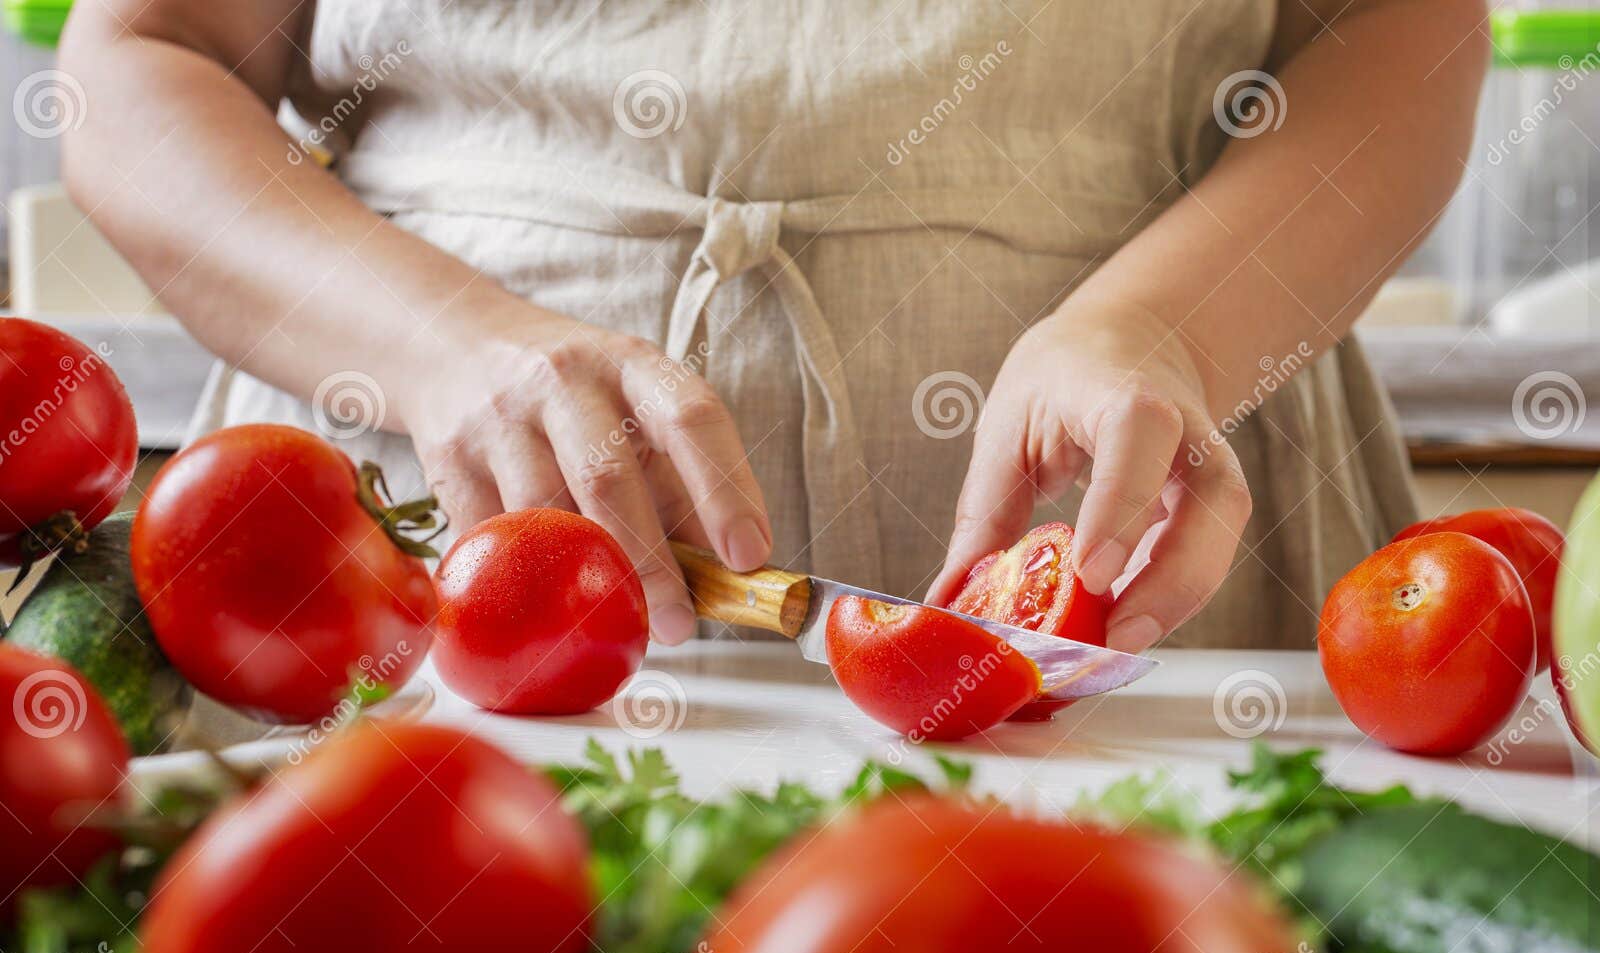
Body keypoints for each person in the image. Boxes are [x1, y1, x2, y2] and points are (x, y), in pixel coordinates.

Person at [59, 0, 1486, 650]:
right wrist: (445, 344)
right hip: (441, 542)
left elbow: (1406, 26)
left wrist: (1168, 326)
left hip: (1166, 538)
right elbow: (143, 53)